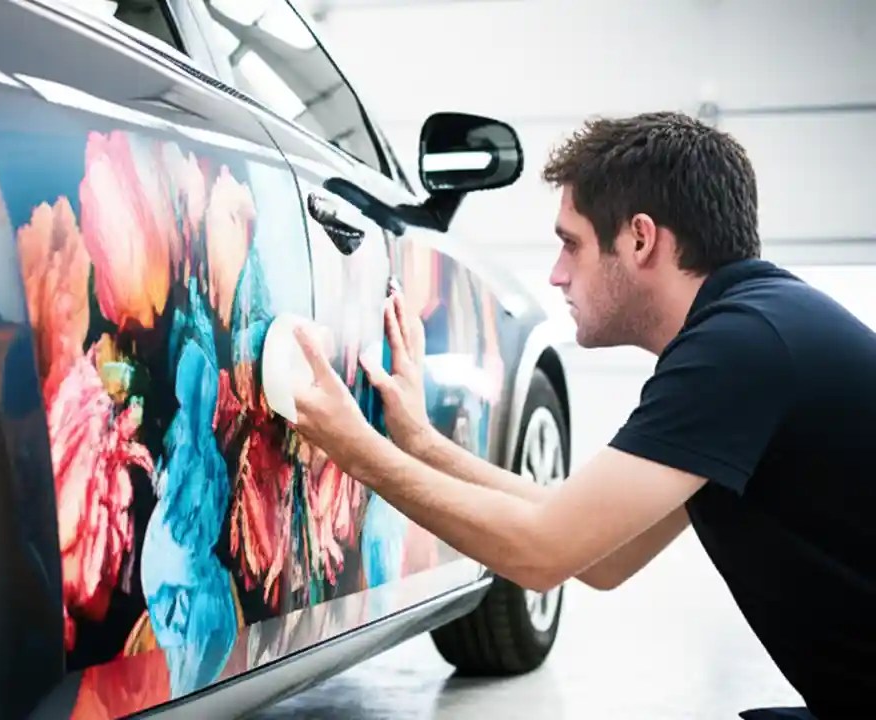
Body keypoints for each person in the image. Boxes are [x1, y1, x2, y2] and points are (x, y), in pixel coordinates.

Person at [287, 111, 876, 720]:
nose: (556, 273)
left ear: (640, 239)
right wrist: (420, 443)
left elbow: (544, 553)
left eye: (571, 243)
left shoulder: (741, 349)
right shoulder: (754, 330)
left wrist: (356, 449)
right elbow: (602, 554)